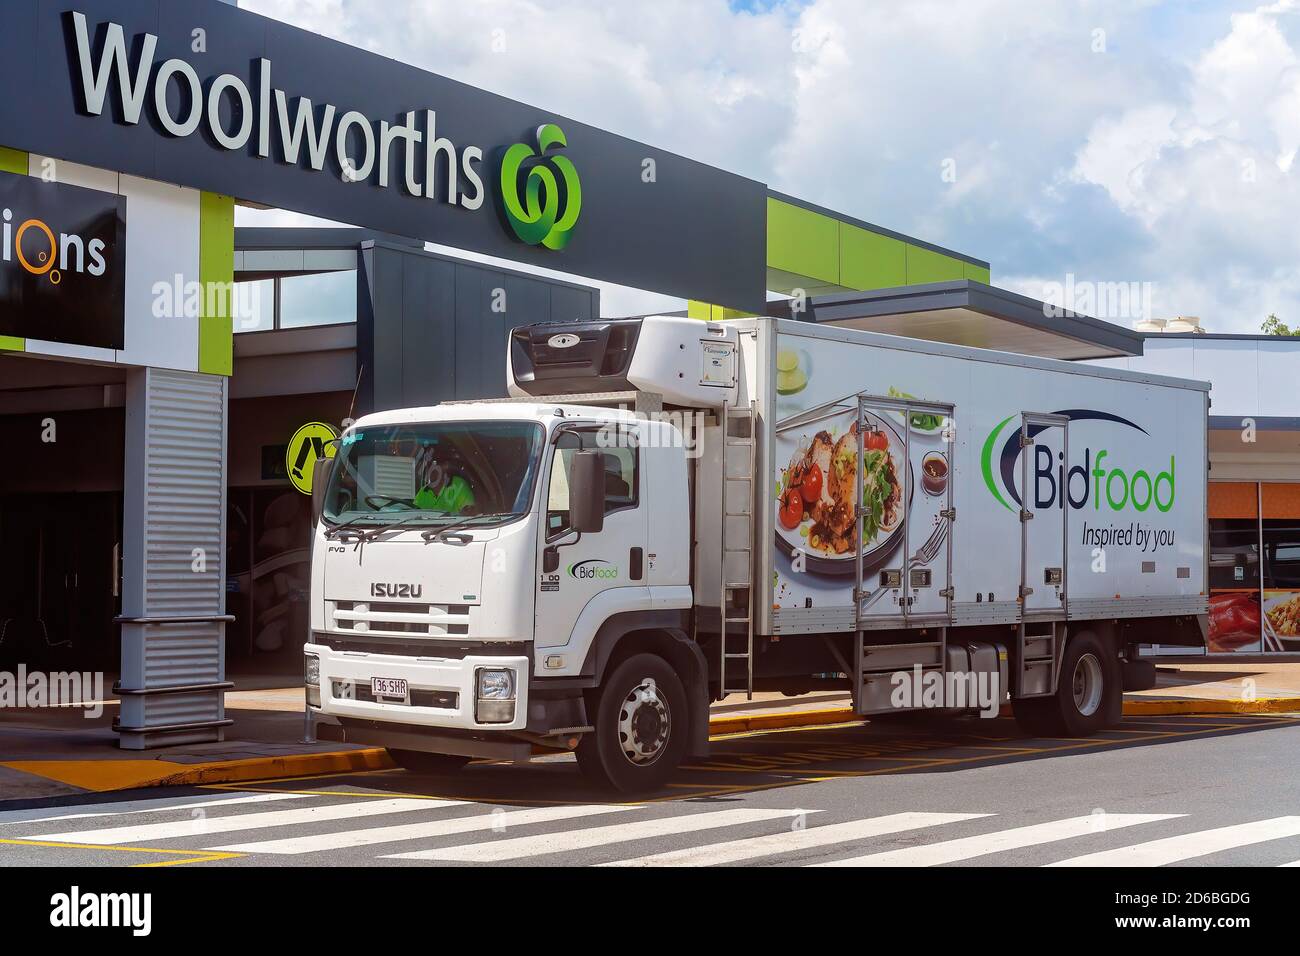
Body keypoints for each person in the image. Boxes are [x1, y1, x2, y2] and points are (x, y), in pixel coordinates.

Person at [412, 446, 476, 514]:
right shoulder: (423, 492)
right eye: (427, 464)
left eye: (433, 463)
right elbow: (413, 515)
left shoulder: (458, 485)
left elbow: (469, 514)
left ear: (445, 465)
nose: (429, 468)